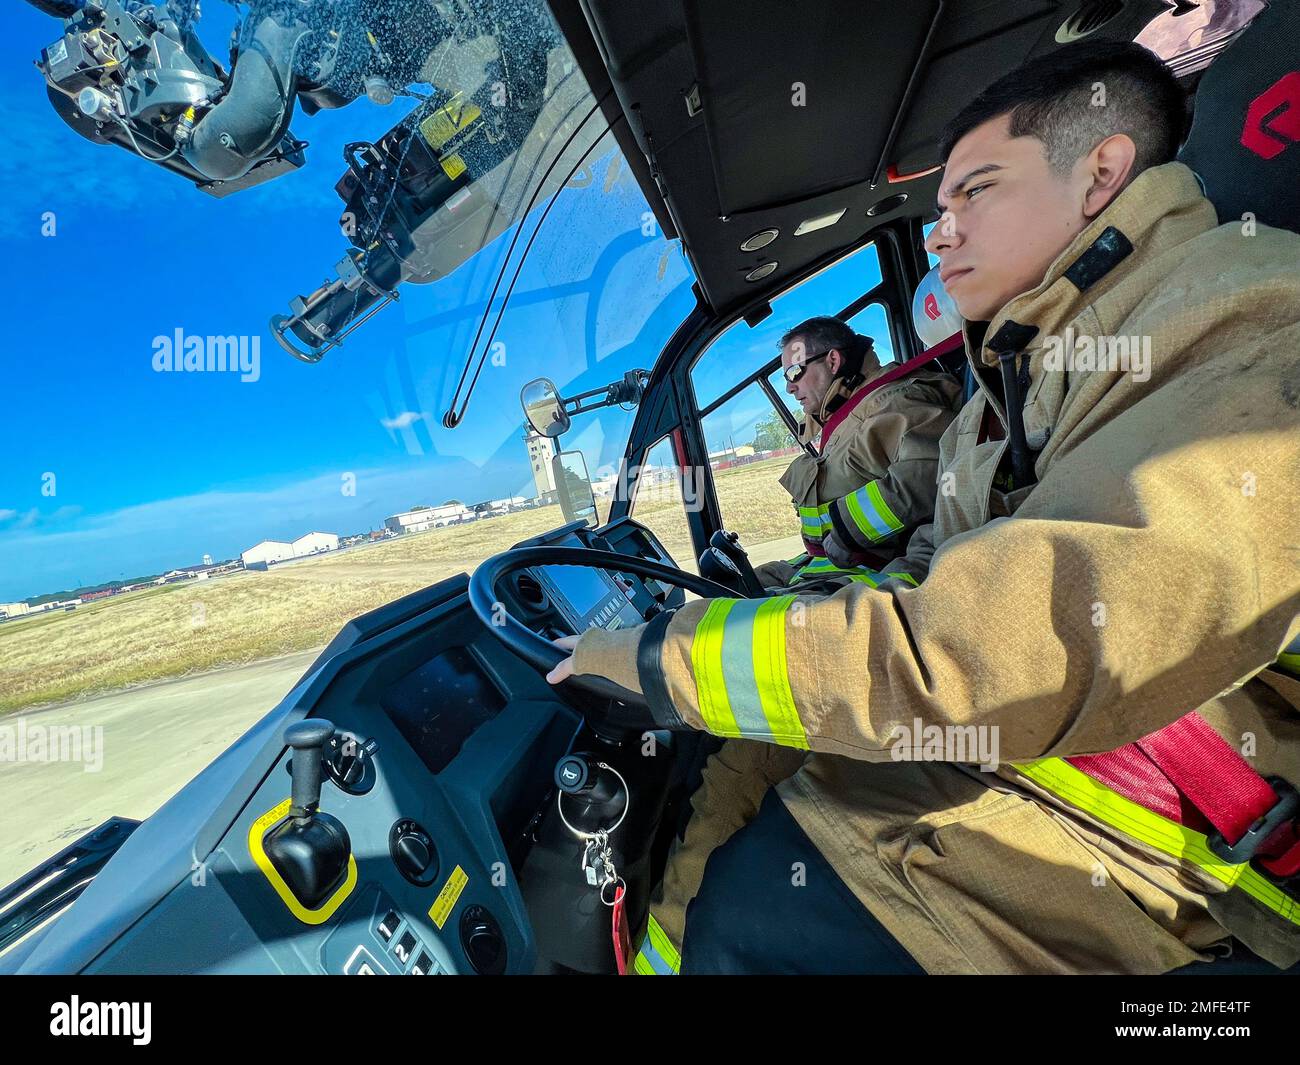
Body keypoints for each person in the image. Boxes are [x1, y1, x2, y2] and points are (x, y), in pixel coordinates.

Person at [551, 39, 1300, 974]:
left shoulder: (1250, 317)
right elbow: (936, 561)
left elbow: (994, 643)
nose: (940, 233)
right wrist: (762, 618)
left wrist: (661, 659)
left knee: (754, 914)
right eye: (936, 209)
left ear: (1101, 173)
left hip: (1169, 828)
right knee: (750, 795)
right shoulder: (1009, 384)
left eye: (974, 192)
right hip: (1051, 757)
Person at [753, 314, 960, 591]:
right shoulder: (846, 417)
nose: (790, 387)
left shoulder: (896, 400)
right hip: (831, 564)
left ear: (833, 361)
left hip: (874, 571)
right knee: (735, 584)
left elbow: (932, 476)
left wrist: (846, 534)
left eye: (794, 373)